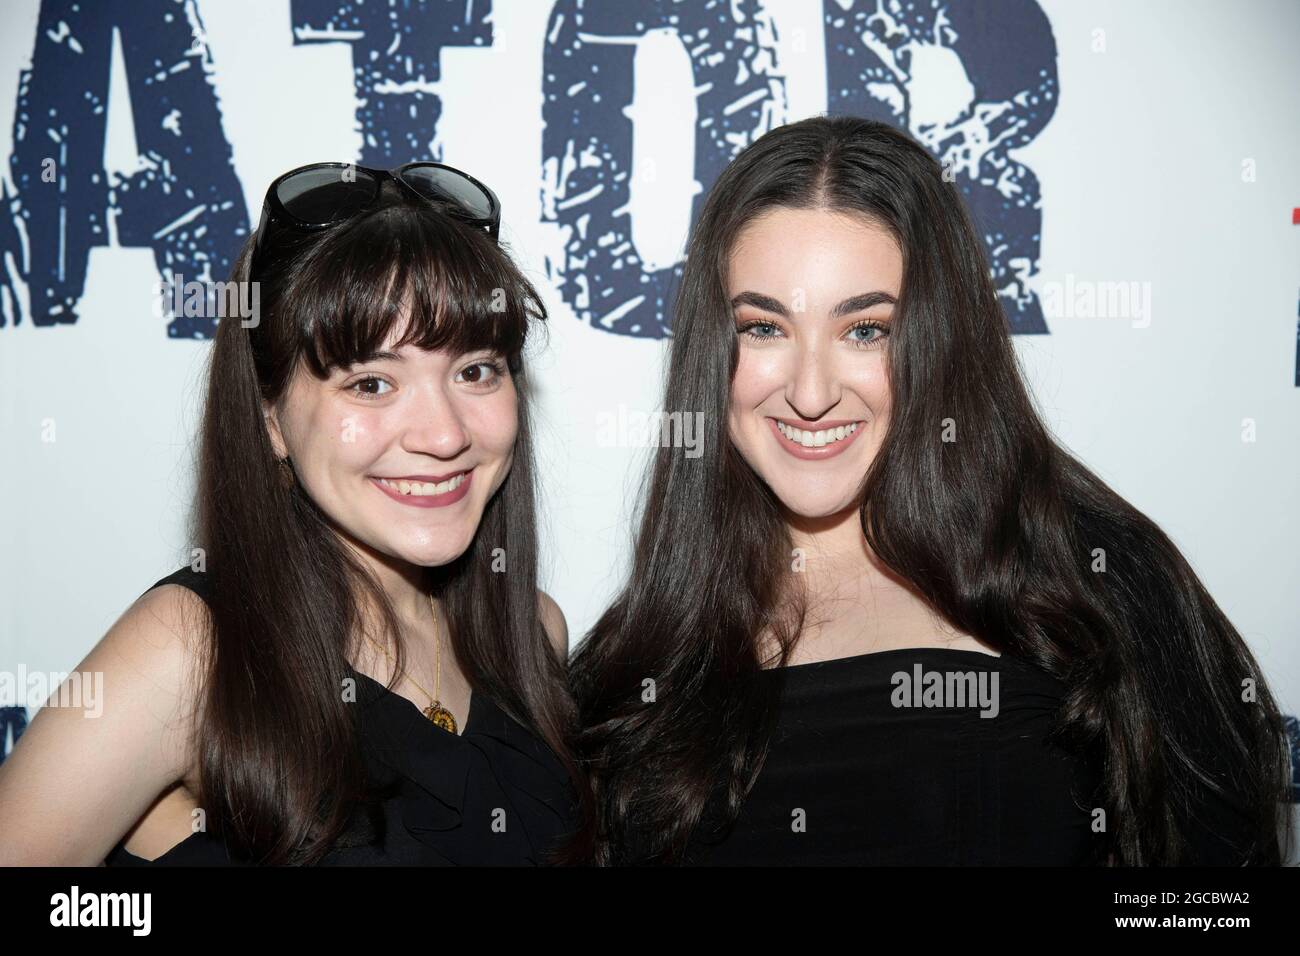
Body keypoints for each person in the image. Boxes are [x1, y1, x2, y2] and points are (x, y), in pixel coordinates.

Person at [560, 116, 1293, 866]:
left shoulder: (1096, 581)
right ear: (714, 346)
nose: (811, 392)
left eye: (866, 330)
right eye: (764, 328)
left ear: (939, 339)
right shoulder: (646, 652)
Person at [0, 161, 584, 865]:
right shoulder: (197, 649)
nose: (445, 434)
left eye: (475, 371)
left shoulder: (533, 631)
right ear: (270, 418)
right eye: (371, 382)